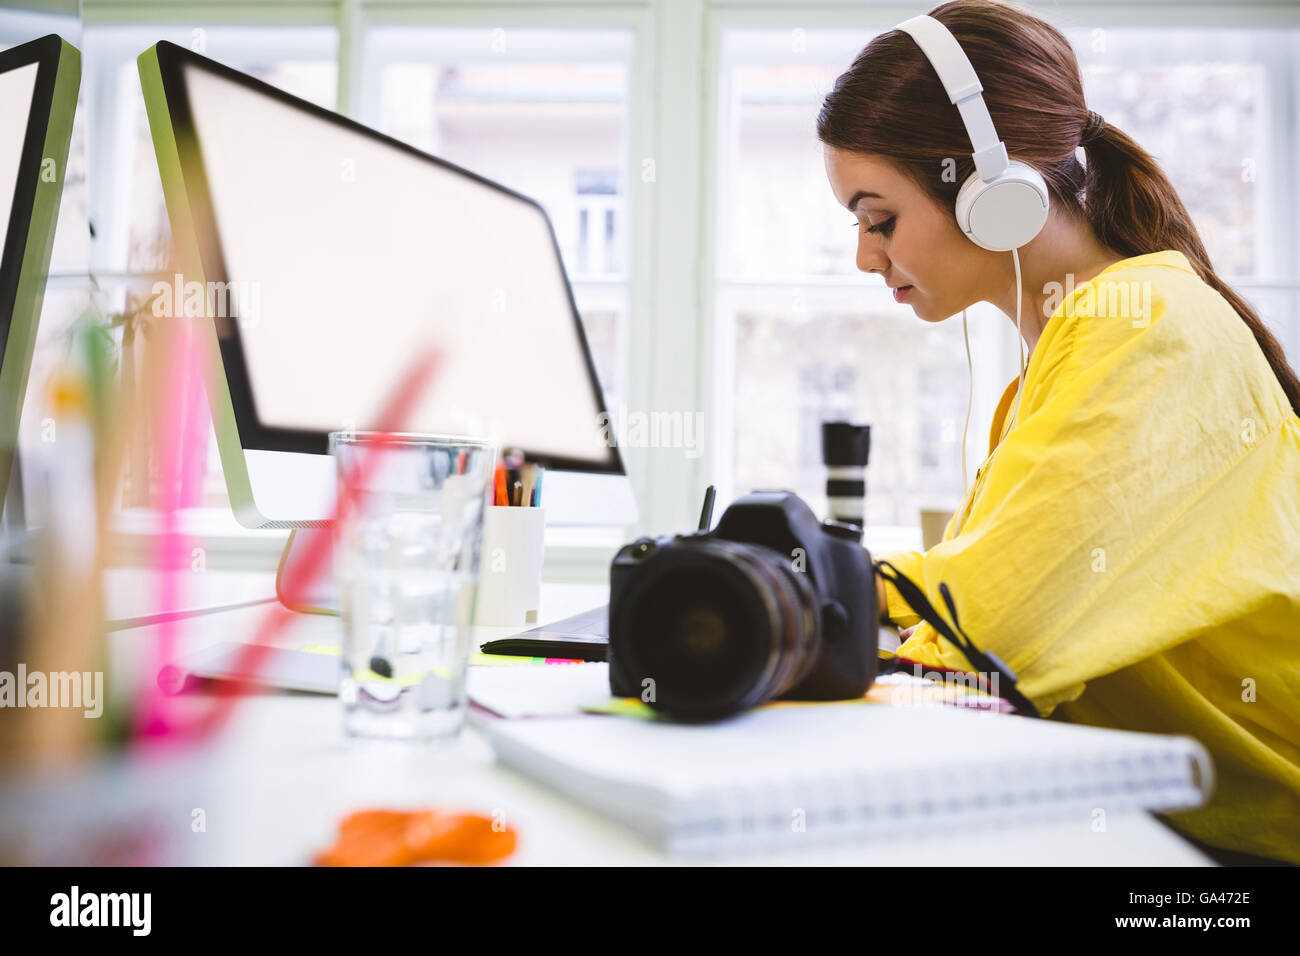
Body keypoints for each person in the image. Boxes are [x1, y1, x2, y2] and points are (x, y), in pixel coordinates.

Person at [818, 0, 1300, 864]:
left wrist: (802, 579)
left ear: (991, 192)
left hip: (1245, 848)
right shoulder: (1059, 360)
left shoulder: (1142, 322)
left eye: (878, 218)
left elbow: (995, 634)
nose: (865, 256)